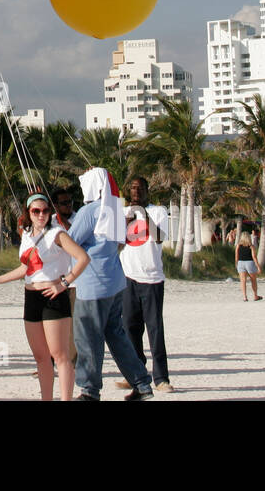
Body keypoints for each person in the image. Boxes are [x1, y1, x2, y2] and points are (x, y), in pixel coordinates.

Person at [0, 193, 89, 400]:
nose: (41, 215)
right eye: (36, 211)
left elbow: (83, 258)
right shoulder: (27, 234)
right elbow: (25, 268)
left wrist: (64, 283)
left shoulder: (57, 233)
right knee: (41, 357)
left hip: (54, 296)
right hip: (31, 297)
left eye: (45, 210)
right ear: (28, 213)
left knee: (60, 355)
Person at [68, 167, 154, 401]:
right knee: (116, 336)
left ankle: (89, 390)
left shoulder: (89, 211)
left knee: (88, 338)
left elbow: (69, 240)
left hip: (93, 284)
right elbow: (119, 242)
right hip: (115, 282)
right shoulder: (115, 208)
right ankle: (141, 383)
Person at [117, 176, 172, 393]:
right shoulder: (122, 212)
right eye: (132, 188)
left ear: (147, 190)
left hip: (152, 279)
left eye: (140, 188)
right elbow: (117, 243)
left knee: (155, 329)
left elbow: (159, 237)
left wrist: (143, 214)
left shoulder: (158, 211)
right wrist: (127, 220)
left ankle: (161, 378)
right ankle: (136, 374)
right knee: (130, 328)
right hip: (128, 277)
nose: (136, 191)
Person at [236, 233, 262, 301]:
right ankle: (255, 296)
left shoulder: (238, 245)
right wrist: (258, 266)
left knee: (243, 281)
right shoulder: (251, 246)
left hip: (241, 262)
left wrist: (236, 264)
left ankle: (245, 297)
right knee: (253, 280)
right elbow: (254, 257)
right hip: (249, 263)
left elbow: (236, 256)